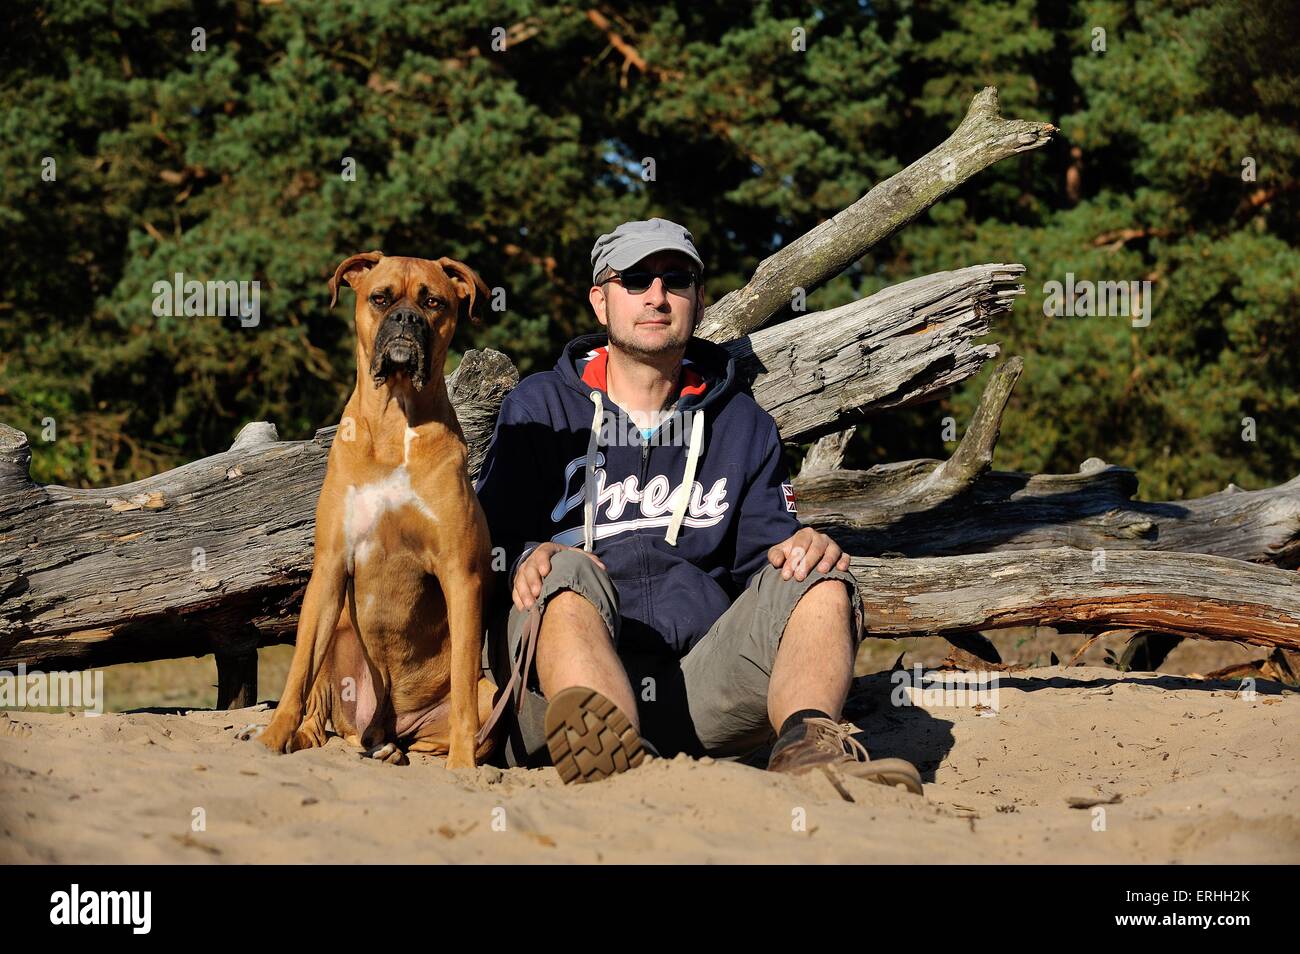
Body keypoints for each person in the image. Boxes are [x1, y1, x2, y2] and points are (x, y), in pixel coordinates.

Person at [474, 217, 922, 793]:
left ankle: (811, 751)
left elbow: (766, 562)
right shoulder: (540, 408)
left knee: (820, 575)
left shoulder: (742, 422)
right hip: (557, 695)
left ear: (699, 299)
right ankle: (611, 757)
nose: (657, 296)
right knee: (565, 569)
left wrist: (801, 548)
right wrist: (526, 556)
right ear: (600, 301)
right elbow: (483, 550)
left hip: (700, 691)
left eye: (676, 280)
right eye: (635, 280)